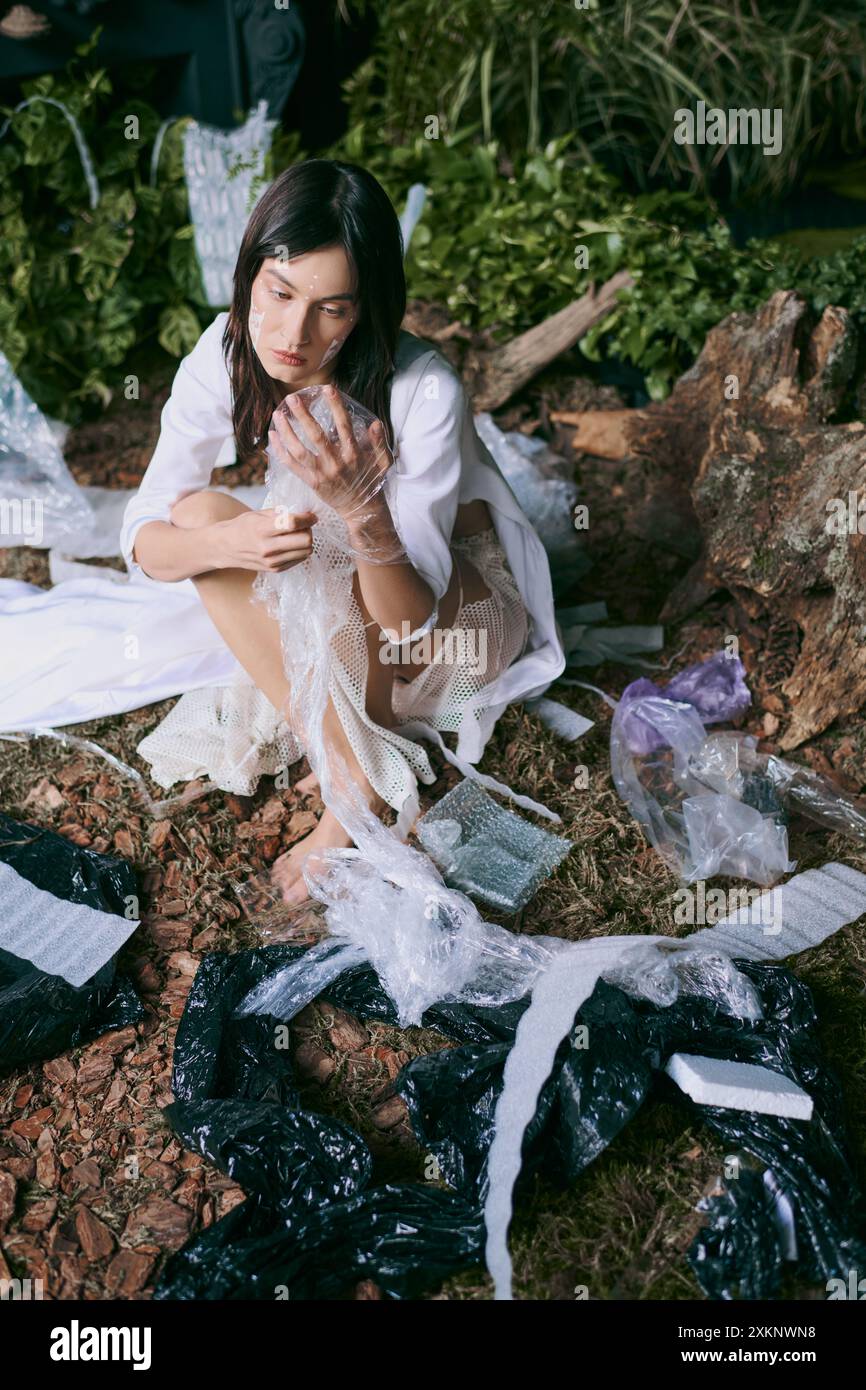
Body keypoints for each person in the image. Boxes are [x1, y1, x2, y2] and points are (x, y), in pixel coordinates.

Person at [120, 158, 564, 904]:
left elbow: (408, 623)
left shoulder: (422, 388)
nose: (293, 333)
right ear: (250, 273)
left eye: (333, 308)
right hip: (340, 590)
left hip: (455, 620)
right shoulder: (230, 348)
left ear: (368, 310)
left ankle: (351, 796)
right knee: (200, 516)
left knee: (336, 562)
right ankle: (356, 762)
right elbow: (143, 536)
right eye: (280, 292)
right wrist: (228, 546)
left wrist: (362, 509)